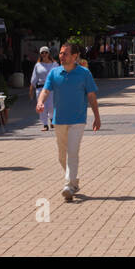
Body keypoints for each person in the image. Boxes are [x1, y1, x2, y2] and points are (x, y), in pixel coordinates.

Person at [39, 41, 100, 202]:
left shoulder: (84, 73)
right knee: (61, 156)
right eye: (60, 53)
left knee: (72, 152)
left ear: (75, 56)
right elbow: (45, 90)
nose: (61, 56)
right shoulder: (54, 73)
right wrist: (40, 101)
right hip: (59, 120)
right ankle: (74, 181)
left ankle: (68, 185)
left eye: (65, 53)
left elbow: (92, 96)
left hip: (78, 120)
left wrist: (97, 116)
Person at [31, 47, 56, 131]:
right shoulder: (38, 65)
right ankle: (45, 124)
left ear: (48, 53)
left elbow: (59, 75)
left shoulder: (54, 64)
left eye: (46, 52)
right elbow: (34, 78)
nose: (44, 54)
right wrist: (31, 89)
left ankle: (52, 119)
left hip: (52, 88)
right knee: (42, 107)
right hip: (40, 88)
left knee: (51, 106)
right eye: (42, 53)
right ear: (40, 54)